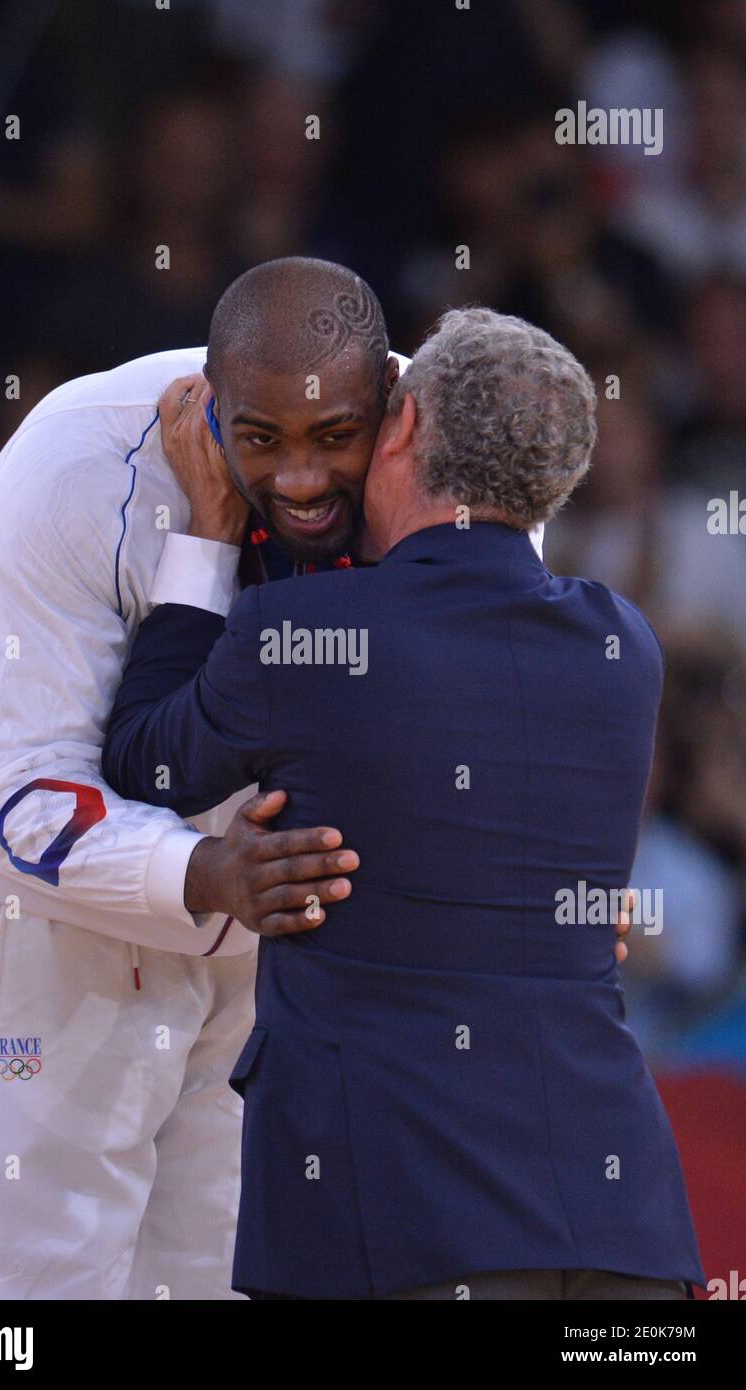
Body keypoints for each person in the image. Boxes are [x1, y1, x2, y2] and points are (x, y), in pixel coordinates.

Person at [103, 307, 705, 1301]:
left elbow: (140, 766)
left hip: (398, 1219)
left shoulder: (301, 632)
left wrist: (209, 543)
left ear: (408, 424)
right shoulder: (623, 644)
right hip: (622, 1220)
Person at [0, 257, 407, 1300]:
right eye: (261, 439)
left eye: (333, 438)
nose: (300, 477)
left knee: (219, 1274)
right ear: (208, 409)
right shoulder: (77, 466)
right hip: (22, 897)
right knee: (26, 1284)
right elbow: (23, 796)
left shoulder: (453, 461)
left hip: (256, 901)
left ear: (391, 414)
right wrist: (204, 873)